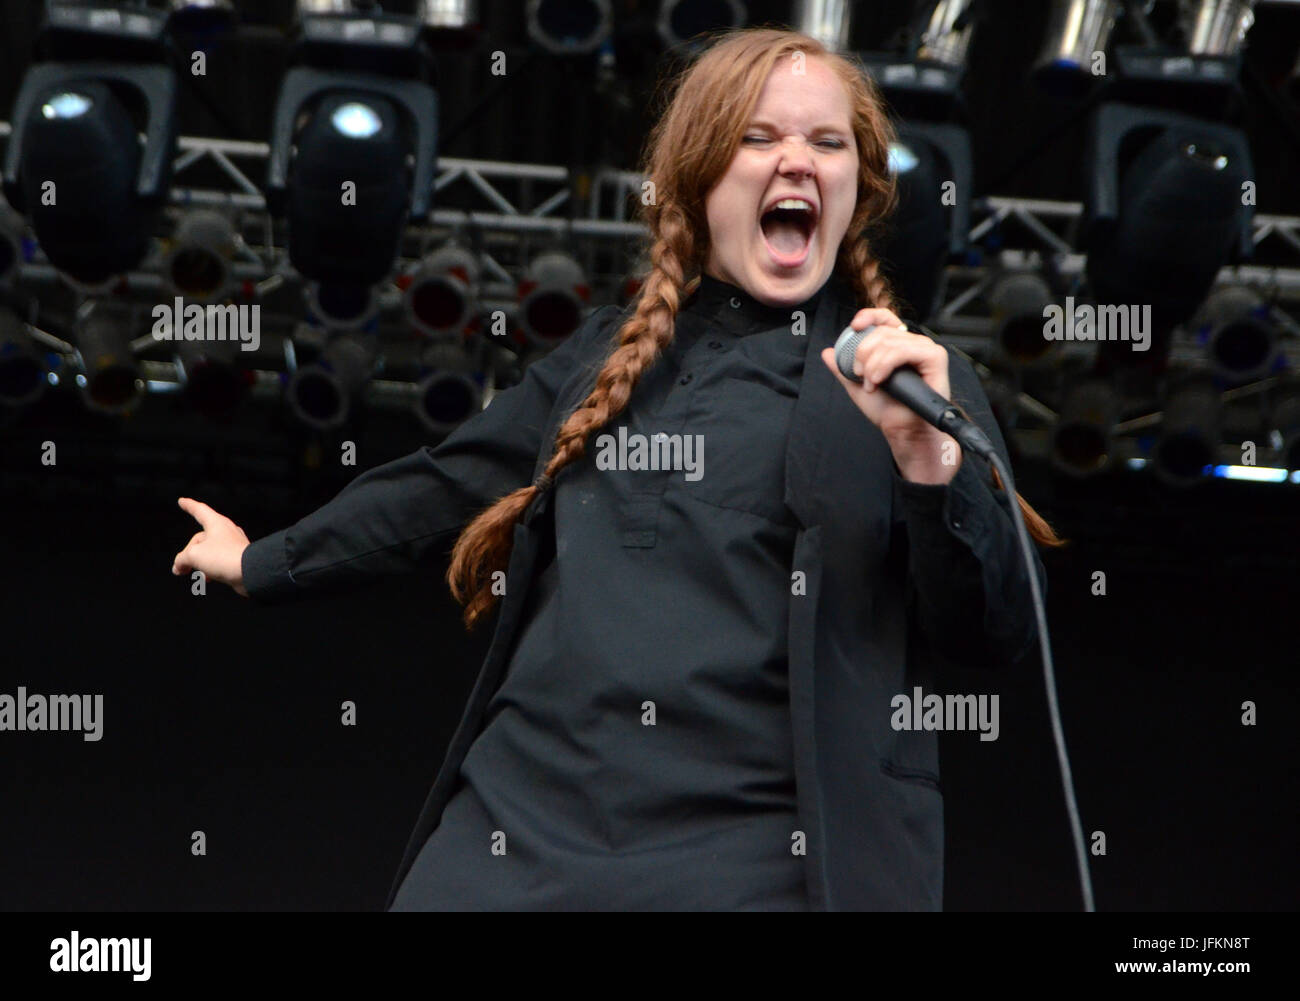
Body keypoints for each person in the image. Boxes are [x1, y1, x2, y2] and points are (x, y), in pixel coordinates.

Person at [172, 27, 1063, 911]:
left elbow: (992, 631)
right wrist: (263, 562)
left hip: (756, 858)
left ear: (857, 189)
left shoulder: (904, 380)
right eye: (759, 137)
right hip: (518, 833)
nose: (797, 160)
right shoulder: (602, 357)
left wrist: (928, 461)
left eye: (827, 142)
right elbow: (440, 484)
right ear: (700, 176)